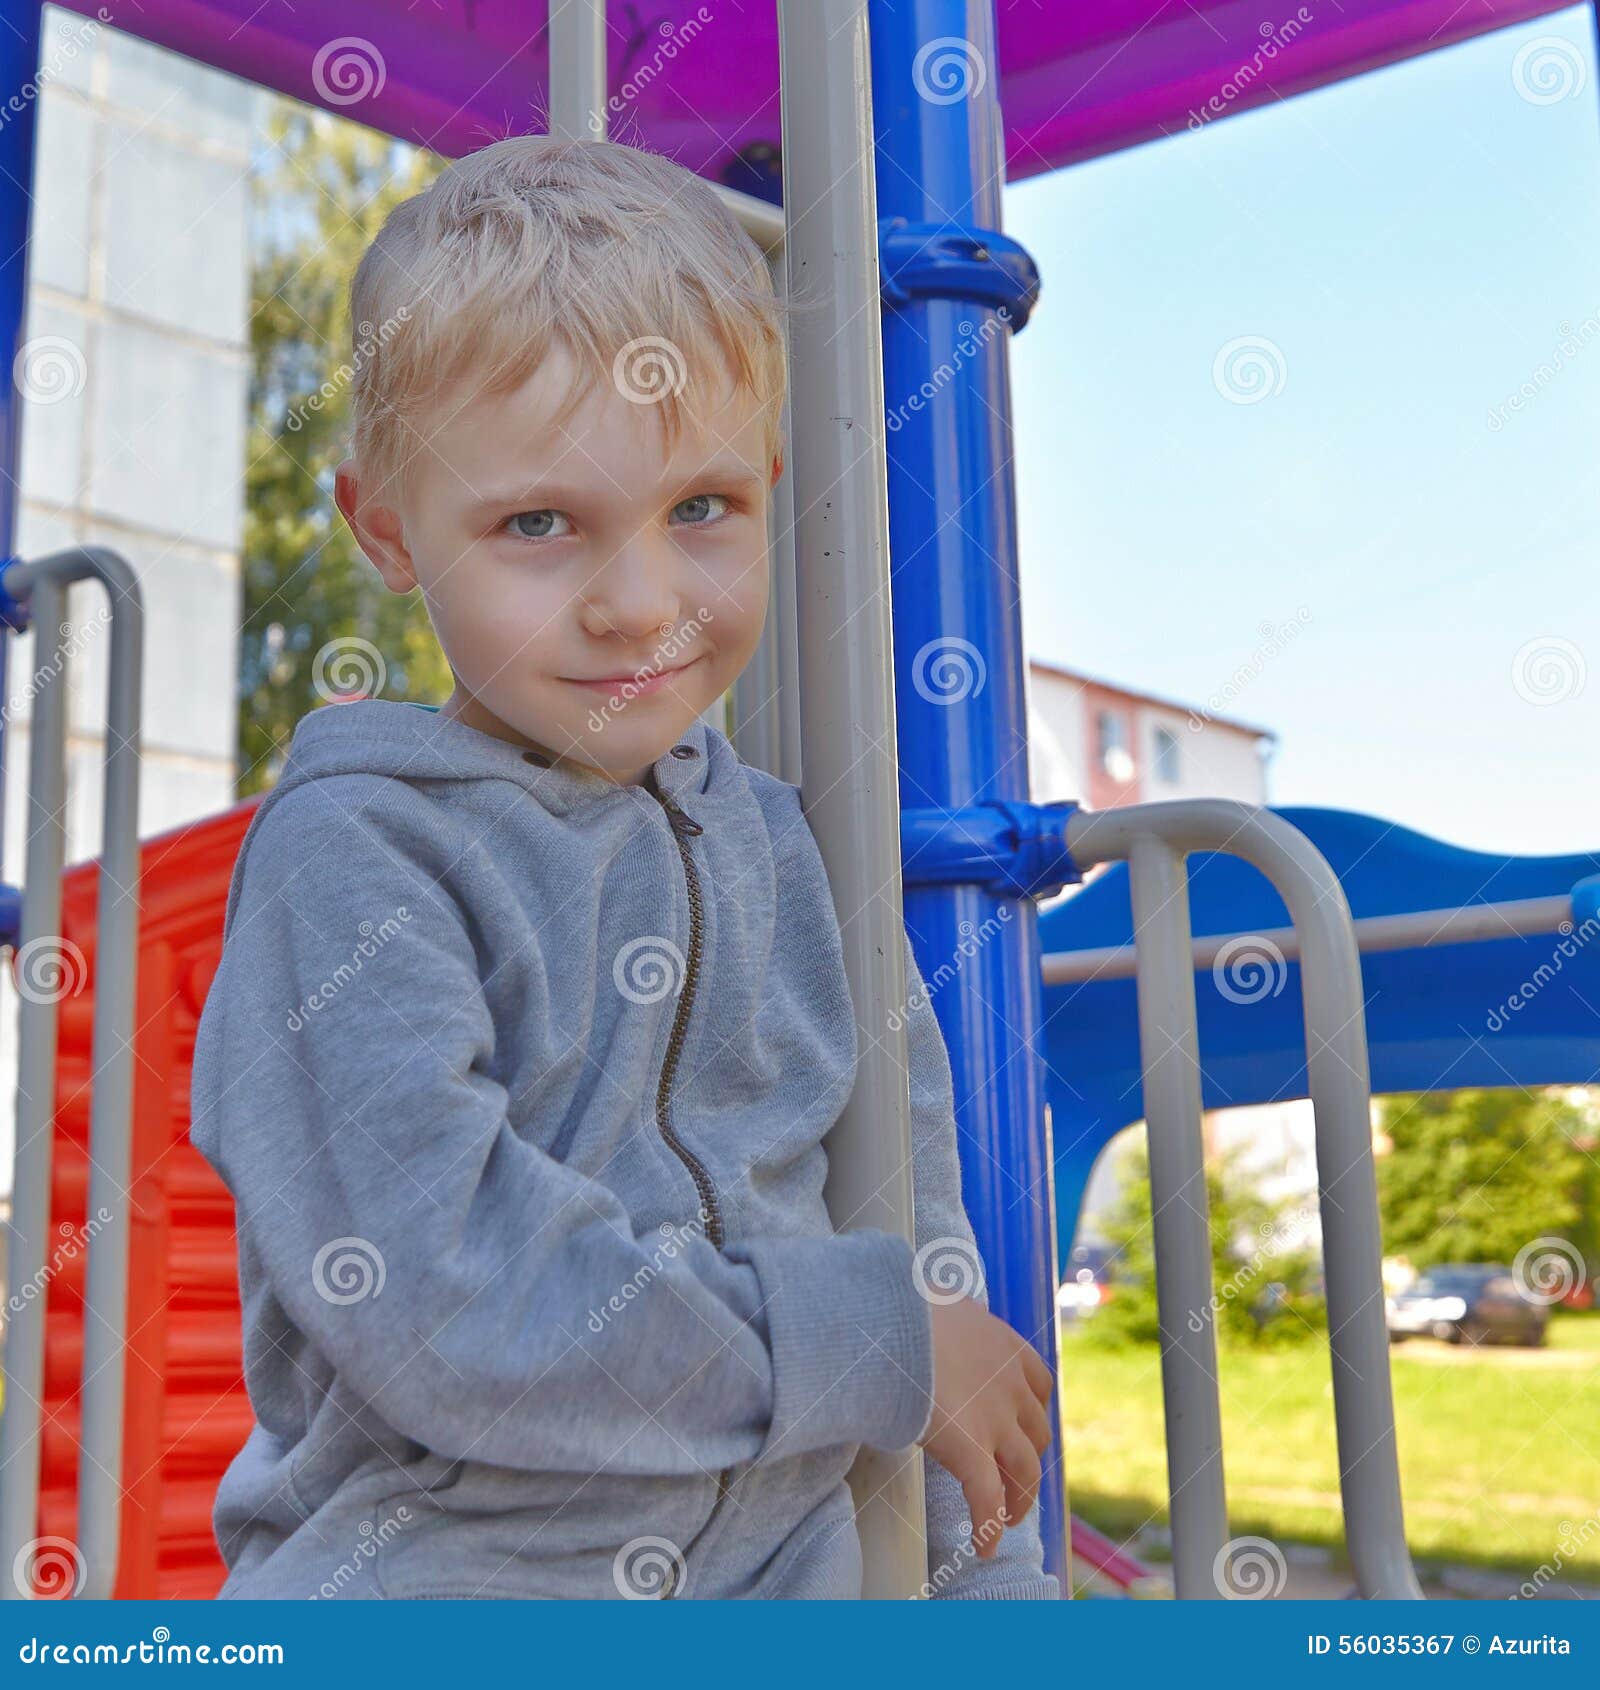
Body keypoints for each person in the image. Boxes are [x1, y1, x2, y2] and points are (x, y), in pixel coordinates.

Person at [191, 135, 1057, 1601]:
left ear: (770, 482)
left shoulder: (802, 852)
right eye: (540, 525)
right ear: (387, 531)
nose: (641, 602)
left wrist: (989, 1585)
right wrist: (871, 1347)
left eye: (701, 509)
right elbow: (443, 1291)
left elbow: (922, 1253)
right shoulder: (354, 854)